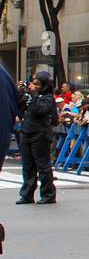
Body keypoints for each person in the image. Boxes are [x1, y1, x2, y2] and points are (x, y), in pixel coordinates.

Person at [16, 72, 58, 205]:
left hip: (40, 134)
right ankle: (27, 195)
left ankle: (48, 194)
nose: (34, 86)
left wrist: (34, 95)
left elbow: (40, 110)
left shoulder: (48, 97)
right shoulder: (30, 96)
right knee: (27, 165)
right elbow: (19, 107)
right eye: (33, 84)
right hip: (26, 132)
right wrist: (21, 93)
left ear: (44, 85)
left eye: (37, 84)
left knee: (43, 165)